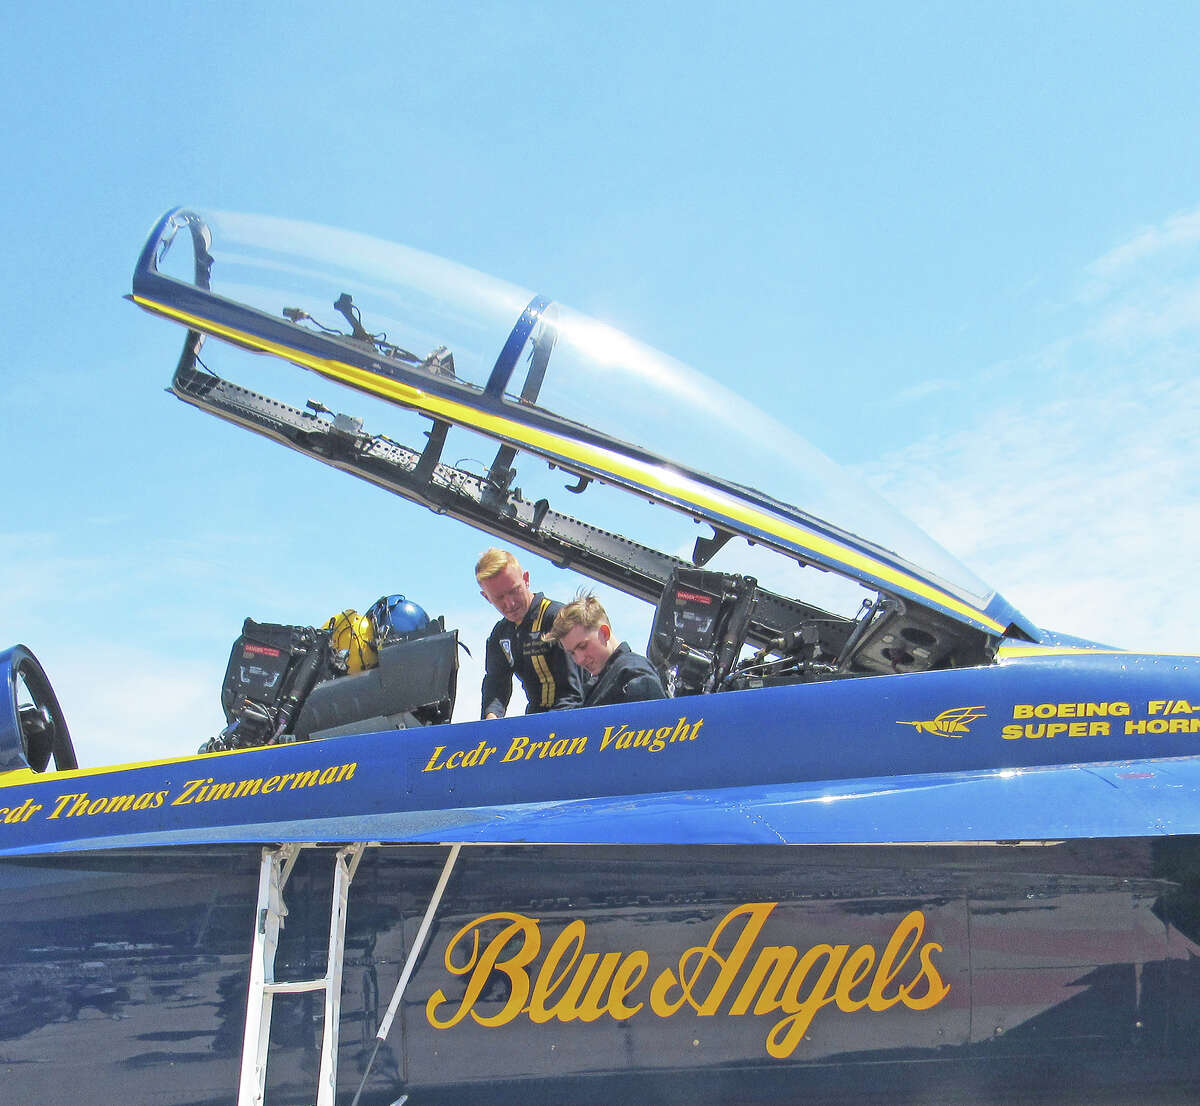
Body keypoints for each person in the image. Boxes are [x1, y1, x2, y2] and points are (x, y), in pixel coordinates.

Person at [476, 548, 583, 719]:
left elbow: (572, 693)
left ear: (526, 579)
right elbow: (496, 684)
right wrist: (491, 719)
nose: (510, 603)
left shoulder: (557, 618)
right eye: (499, 597)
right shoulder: (500, 634)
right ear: (486, 597)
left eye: (514, 591)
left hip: (577, 720)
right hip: (535, 721)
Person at [546, 592, 666, 708]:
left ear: (604, 633)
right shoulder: (599, 684)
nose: (579, 660)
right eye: (572, 653)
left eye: (582, 646)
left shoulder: (633, 674)